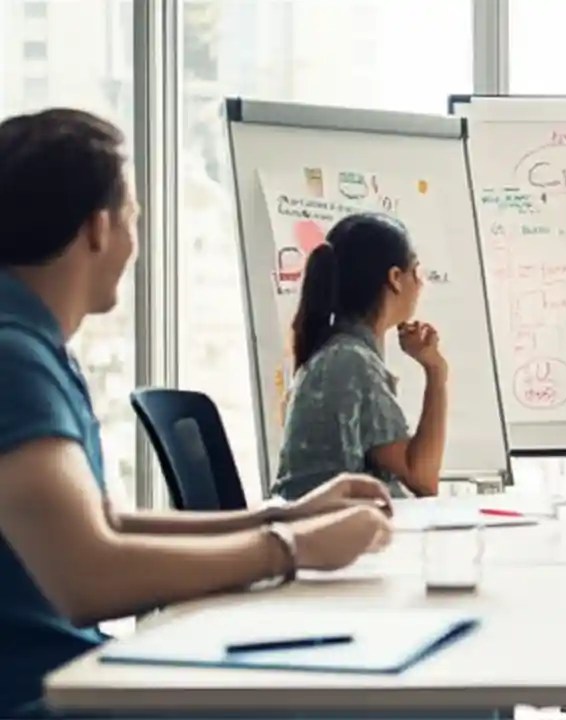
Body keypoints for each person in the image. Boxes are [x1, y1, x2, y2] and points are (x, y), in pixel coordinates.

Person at [0, 108, 393, 716]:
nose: (135, 241)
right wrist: (292, 548)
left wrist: (284, 514)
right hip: (43, 698)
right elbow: (88, 576)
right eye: (134, 217)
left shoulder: (27, 342)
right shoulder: (13, 357)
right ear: (99, 228)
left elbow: (107, 523)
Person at [273, 213, 448, 500]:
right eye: (415, 272)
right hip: (337, 525)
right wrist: (436, 372)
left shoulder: (336, 353)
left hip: (323, 521)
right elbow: (423, 478)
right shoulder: (352, 361)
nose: (420, 284)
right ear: (395, 278)